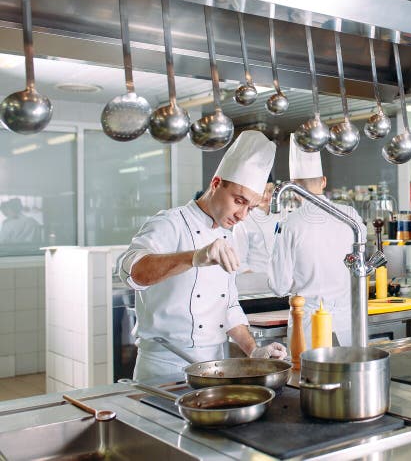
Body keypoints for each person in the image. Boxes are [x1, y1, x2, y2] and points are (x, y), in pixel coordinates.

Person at [117, 131, 287, 381]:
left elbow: (227, 305)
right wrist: (194, 257)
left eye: (250, 207)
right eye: (239, 201)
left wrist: (254, 349)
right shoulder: (170, 223)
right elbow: (130, 272)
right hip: (165, 369)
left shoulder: (229, 235)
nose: (242, 215)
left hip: (214, 368)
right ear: (216, 183)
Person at [270, 133, 366, 347]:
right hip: (349, 323)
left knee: (310, 378)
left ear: (293, 187)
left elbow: (278, 286)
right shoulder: (350, 214)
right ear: (324, 181)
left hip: (309, 326)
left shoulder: (290, 224)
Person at [235, 173, 282, 295]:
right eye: (262, 191)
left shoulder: (282, 215)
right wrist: (257, 280)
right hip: (253, 284)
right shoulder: (243, 219)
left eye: (270, 190)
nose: (267, 196)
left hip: (280, 281)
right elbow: (239, 261)